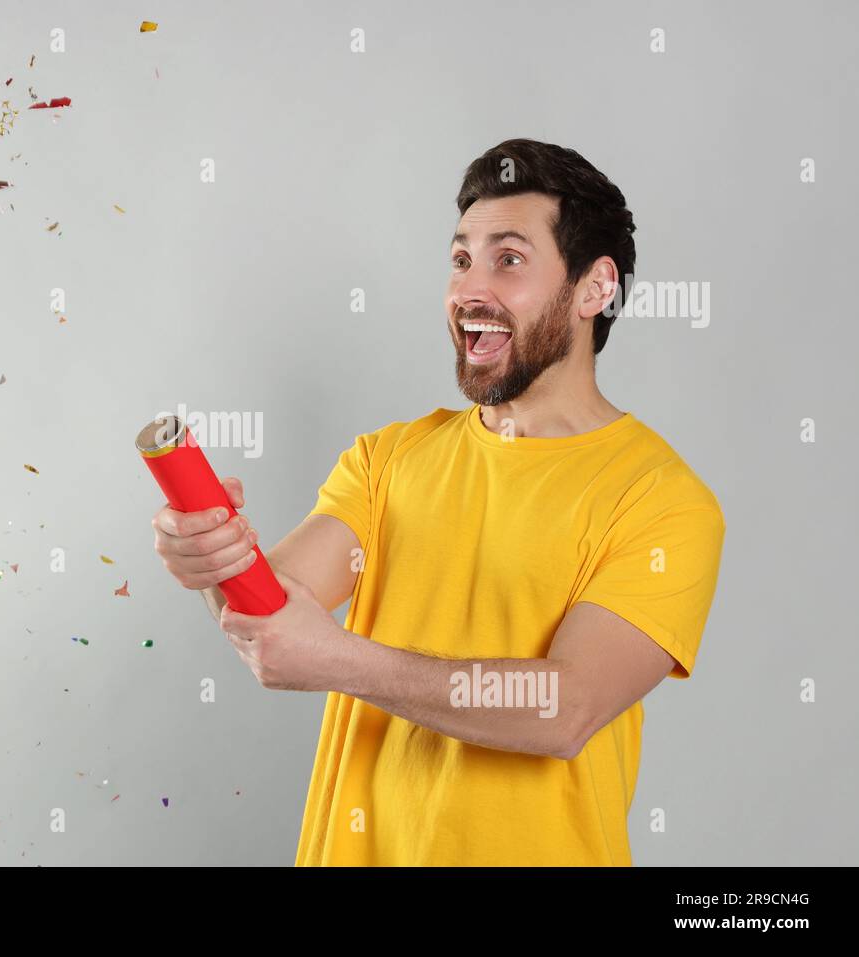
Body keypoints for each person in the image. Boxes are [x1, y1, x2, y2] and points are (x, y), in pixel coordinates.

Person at [150, 139, 726, 866]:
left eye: (507, 260)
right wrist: (215, 556)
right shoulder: (389, 458)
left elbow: (566, 708)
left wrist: (344, 660)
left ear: (593, 288)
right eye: (460, 261)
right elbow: (271, 613)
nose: (468, 291)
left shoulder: (662, 501)